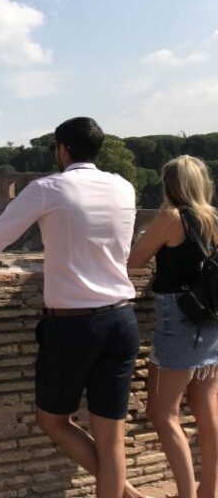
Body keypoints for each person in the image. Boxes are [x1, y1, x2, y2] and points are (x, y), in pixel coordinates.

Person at [0, 117, 146, 498]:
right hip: (121, 320)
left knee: (52, 420)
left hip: (74, 327)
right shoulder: (124, 188)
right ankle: (124, 493)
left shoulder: (47, 189)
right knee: (111, 437)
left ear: (62, 150)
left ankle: (126, 493)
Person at [127, 155, 218, 498]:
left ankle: (187, 494)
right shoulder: (213, 218)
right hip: (209, 323)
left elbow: (134, 262)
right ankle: (209, 490)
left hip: (178, 323)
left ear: (171, 185)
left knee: (162, 413)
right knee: (208, 415)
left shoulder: (170, 217)